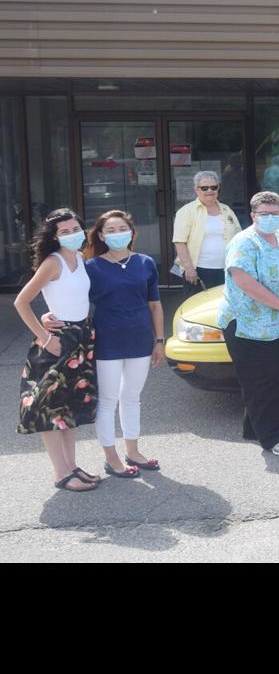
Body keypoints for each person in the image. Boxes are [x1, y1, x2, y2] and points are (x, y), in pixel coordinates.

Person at [13, 208, 100, 493]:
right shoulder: (53, 262)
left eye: (76, 229)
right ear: (54, 236)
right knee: (49, 409)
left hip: (81, 337)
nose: (73, 235)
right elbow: (21, 302)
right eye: (65, 231)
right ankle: (61, 473)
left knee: (71, 407)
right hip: (57, 342)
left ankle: (72, 466)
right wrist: (44, 336)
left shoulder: (80, 258)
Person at [219, 191, 279, 456]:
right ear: (253, 216)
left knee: (274, 378)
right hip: (250, 326)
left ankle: (255, 427)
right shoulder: (244, 243)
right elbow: (244, 281)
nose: (270, 218)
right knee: (261, 383)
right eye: (264, 214)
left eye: (275, 214)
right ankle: (272, 437)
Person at [85, 210, 165, 478]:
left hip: (140, 339)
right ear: (100, 235)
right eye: (111, 229)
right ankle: (112, 457)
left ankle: (133, 450)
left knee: (132, 397)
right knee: (107, 400)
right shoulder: (91, 267)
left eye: (123, 228)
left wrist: (159, 340)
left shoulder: (145, 263)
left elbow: (155, 304)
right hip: (107, 341)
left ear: (132, 233)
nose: (117, 233)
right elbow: (76, 301)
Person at [171, 170, 242, 290]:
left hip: (226, 269)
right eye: (204, 188)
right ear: (196, 189)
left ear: (218, 188)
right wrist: (189, 268)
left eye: (213, 187)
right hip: (198, 270)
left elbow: (239, 238)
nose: (210, 191)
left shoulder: (227, 210)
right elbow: (180, 242)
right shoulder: (186, 211)